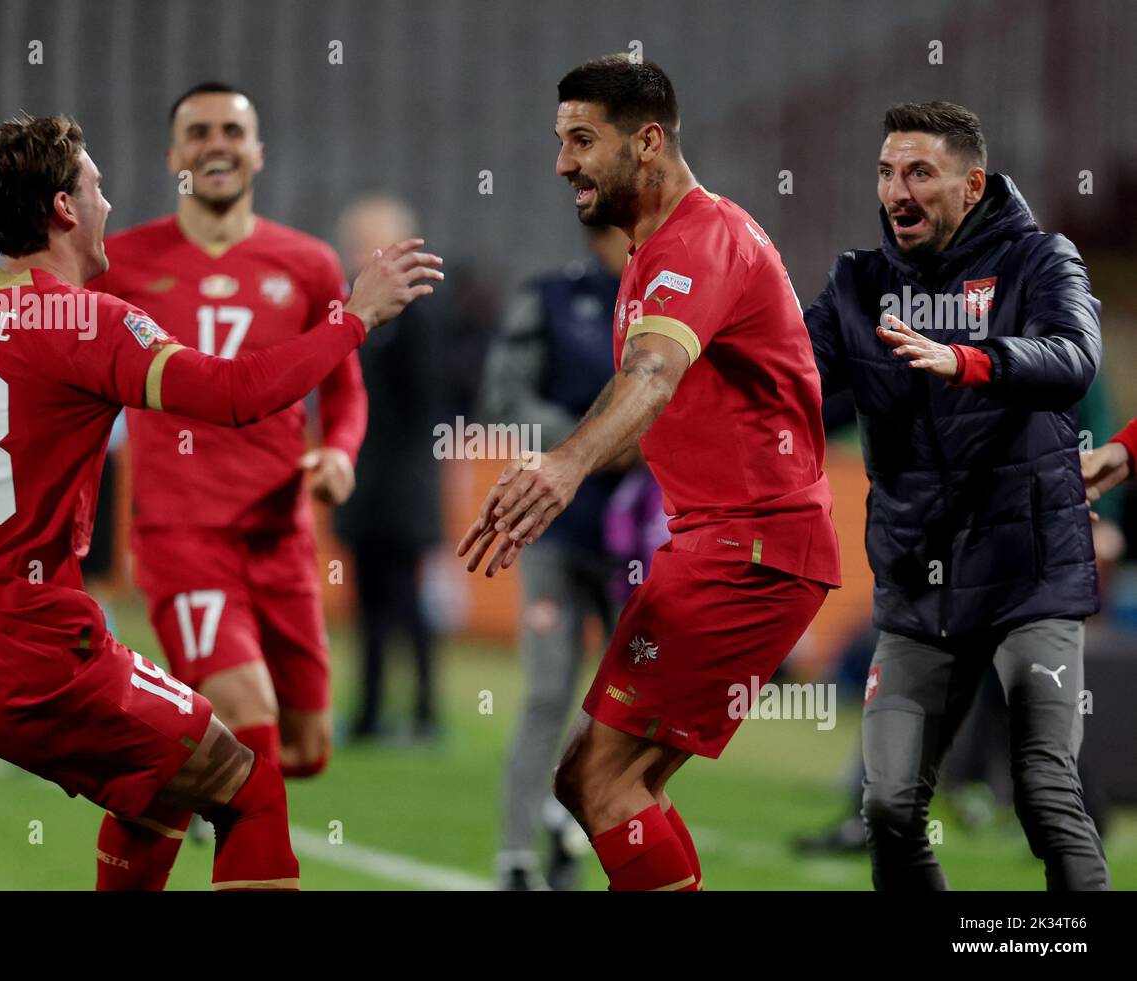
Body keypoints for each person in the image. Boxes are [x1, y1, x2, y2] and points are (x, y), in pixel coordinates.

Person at [0, 113, 441, 890]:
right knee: (251, 788)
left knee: (164, 786)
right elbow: (237, 394)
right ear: (65, 209)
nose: (110, 203)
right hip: (28, 649)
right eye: (97, 187)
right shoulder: (87, 321)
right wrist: (353, 317)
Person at [459, 54, 841, 892]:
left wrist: (563, 465)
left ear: (648, 141)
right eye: (561, 140)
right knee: (597, 781)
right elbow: (649, 404)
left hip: (750, 551)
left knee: (601, 782)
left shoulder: (703, 241)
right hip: (725, 545)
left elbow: (653, 377)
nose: (563, 162)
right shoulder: (652, 252)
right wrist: (557, 469)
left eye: (583, 140)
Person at [804, 101, 1109, 890]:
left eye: (918, 173)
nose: (895, 189)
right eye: (885, 172)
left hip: (1027, 574)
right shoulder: (859, 283)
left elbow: (1074, 356)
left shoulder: (1042, 260)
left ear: (971, 185)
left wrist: (968, 360)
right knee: (891, 807)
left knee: (1044, 792)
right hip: (919, 582)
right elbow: (790, 380)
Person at [89, 83, 365, 782]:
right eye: (201, 131)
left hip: (281, 536)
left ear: (258, 153)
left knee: (305, 749)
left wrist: (337, 451)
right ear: (174, 154)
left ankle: (175, 780)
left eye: (233, 132)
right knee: (252, 716)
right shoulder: (118, 266)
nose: (217, 144)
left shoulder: (309, 264)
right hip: (180, 535)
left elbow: (344, 390)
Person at [479, 224, 630, 890]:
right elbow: (502, 398)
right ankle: (515, 856)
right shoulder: (551, 299)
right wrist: (589, 443)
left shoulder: (674, 304)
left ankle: (568, 819)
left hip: (643, 541)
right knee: (546, 690)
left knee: (625, 704)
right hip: (554, 529)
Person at [332, 193, 445, 741]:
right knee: (372, 606)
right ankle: (372, 713)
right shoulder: (354, 317)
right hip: (368, 488)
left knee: (407, 604)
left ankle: (423, 714)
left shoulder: (419, 317)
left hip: (402, 492)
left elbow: (426, 400)